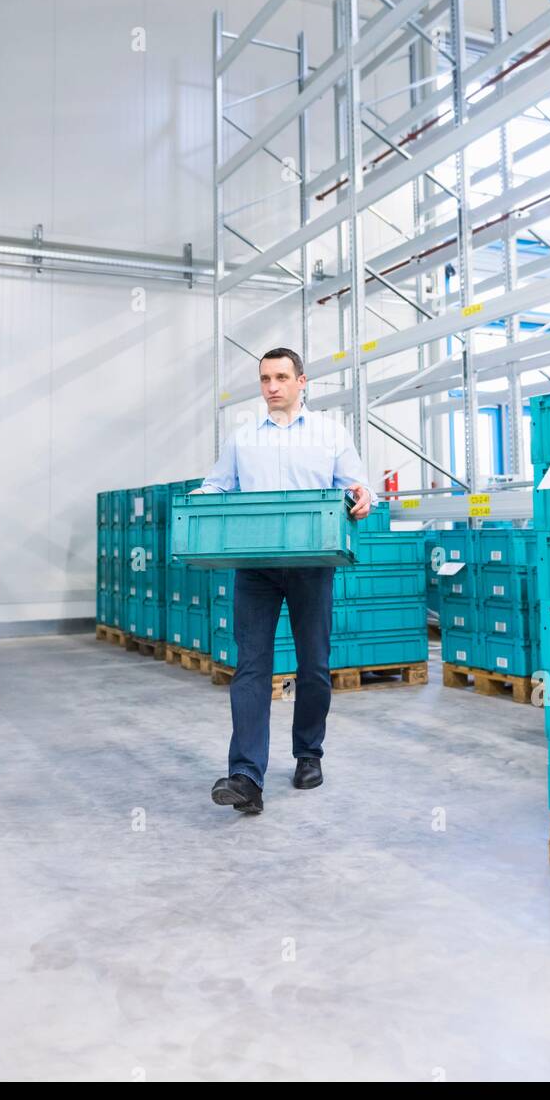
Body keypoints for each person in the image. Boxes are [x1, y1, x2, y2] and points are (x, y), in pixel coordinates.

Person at [193, 348, 377, 816]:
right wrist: (198, 497)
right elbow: (219, 485)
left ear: (302, 382)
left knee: (313, 665)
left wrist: (363, 496)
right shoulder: (243, 438)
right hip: (255, 565)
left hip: (311, 563)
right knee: (251, 666)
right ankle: (246, 776)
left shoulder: (329, 434)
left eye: (280, 377)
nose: (271, 386)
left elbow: (356, 487)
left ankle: (308, 753)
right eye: (264, 379)